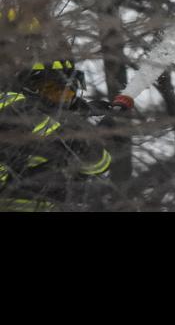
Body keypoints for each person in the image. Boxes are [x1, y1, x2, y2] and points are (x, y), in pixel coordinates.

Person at [1, 57, 126, 212]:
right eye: (52, 90)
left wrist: (95, 138)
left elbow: (99, 165)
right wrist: (80, 133)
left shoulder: (64, 126)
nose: (61, 101)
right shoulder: (10, 103)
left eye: (67, 94)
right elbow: (36, 120)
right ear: (30, 88)